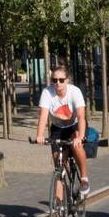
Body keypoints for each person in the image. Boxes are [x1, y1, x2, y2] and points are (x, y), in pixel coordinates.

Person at [35, 63, 90, 200]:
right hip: (57, 128)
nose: (57, 83)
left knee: (76, 144)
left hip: (74, 126)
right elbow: (43, 116)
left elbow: (82, 117)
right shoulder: (47, 93)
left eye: (61, 80)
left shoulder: (75, 92)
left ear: (67, 80)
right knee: (58, 166)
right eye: (54, 80)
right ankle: (59, 207)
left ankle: (84, 178)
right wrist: (40, 135)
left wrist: (81, 137)